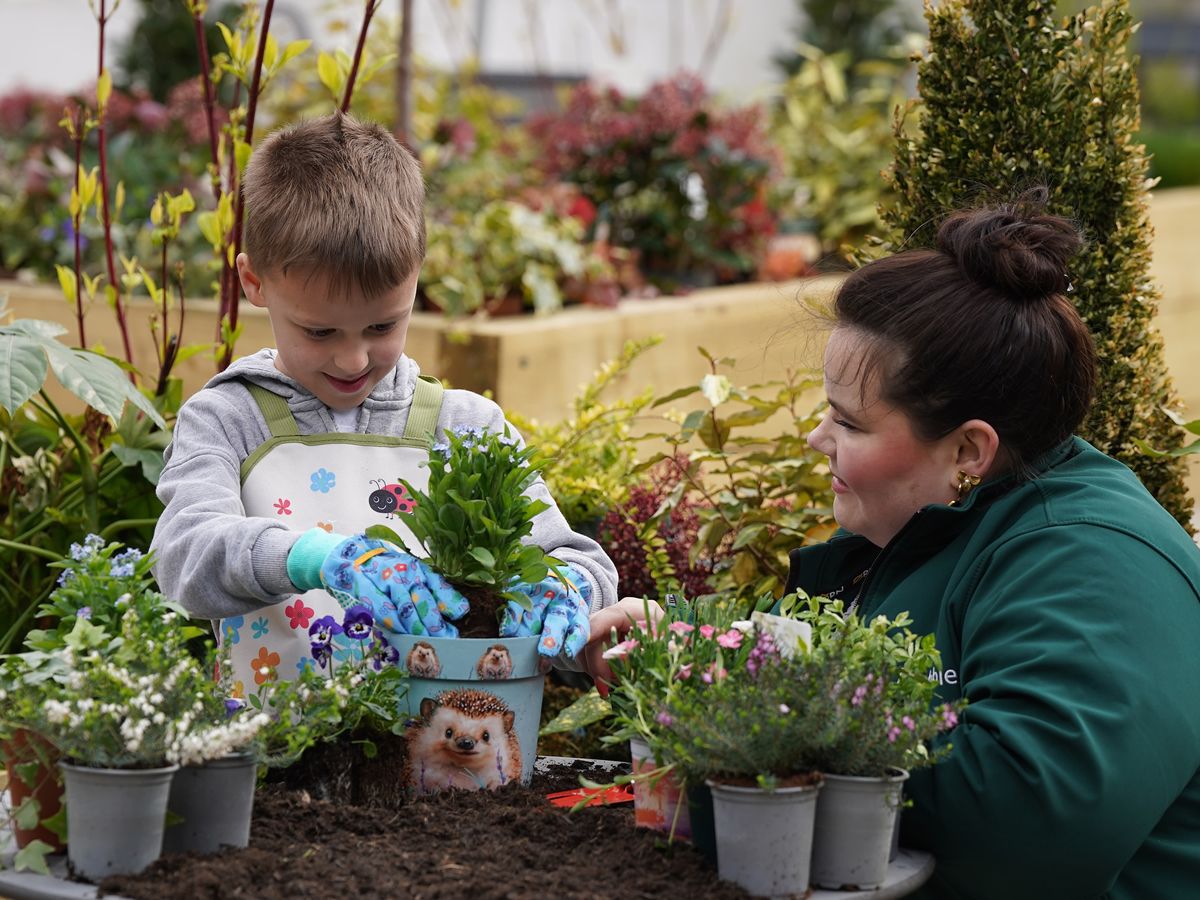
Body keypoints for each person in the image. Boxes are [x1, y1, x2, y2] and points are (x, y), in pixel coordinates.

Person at [784, 188, 1200, 899]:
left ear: (969, 450)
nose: (818, 440)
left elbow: (1027, 823)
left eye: (848, 424)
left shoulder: (1097, 562)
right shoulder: (932, 529)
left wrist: (775, 709)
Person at [151, 112, 618, 694]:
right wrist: (311, 558)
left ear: (417, 277)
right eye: (320, 332)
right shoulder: (229, 419)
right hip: (271, 761)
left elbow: (578, 560)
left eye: (381, 325)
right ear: (254, 282)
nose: (353, 360)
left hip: (453, 757)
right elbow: (182, 557)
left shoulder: (465, 427)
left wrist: (563, 589)